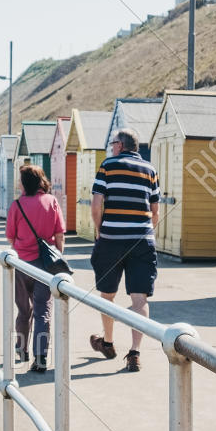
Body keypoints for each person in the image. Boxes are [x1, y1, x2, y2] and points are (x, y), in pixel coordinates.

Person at [88, 129, 159, 372]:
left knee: (107, 295)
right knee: (139, 299)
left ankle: (108, 343)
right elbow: (155, 211)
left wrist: (100, 231)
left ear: (120, 145)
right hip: (142, 242)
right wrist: (145, 233)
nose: (111, 147)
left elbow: (96, 205)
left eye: (112, 143)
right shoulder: (150, 170)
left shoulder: (108, 166)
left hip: (111, 240)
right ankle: (135, 352)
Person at [6, 163, 66, 373]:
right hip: (44, 267)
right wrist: (57, 259)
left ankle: (21, 348)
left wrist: (23, 248)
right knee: (43, 311)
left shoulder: (17, 205)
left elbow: (10, 237)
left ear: (25, 183)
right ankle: (40, 358)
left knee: (24, 310)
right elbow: (59, 235)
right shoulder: (52, 202)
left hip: (21, 264)